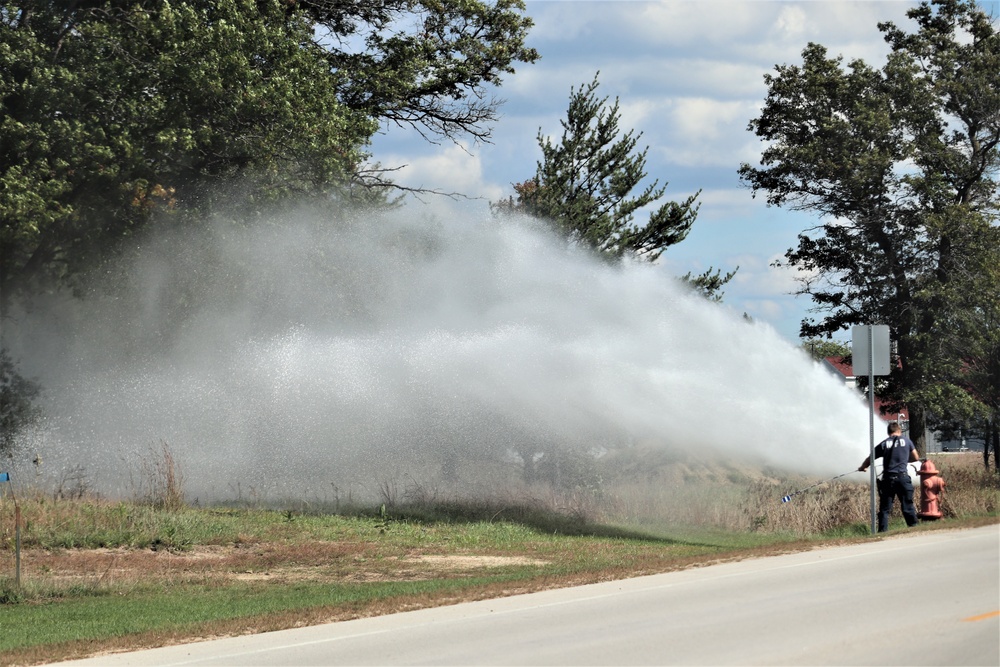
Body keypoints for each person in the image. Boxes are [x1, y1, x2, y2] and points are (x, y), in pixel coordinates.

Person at [858, 421, 920, 532]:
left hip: (888, 479)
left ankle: (882, 532)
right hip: (902, 478)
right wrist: (905, 460)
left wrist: (863, 467)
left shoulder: (883, 444)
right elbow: (916, 457)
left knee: (885, 509)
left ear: (888, 432)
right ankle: (914, 528)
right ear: (899, 431)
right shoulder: (907, 441)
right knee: (907, 505)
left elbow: (870, 458)